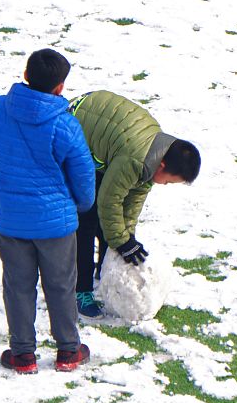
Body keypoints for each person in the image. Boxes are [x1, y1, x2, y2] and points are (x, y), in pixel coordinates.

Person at [0, 49, 97, 373]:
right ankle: (68, 351)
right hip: (55, 225)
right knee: (60, 285)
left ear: (26, 75)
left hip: (10, 218)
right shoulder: (64, 125)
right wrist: (79, 206)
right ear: (59, 87)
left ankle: (22, 355)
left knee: (18, 285)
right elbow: (83, 176)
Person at [68, 90, 201, 318]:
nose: (166, 185)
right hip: (76, 132)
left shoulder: (156, 155)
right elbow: (109, 202)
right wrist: (121, 241)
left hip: (107, 141)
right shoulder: (135, 159)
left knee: (108, 223)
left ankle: (103, 270)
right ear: (162, 167)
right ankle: (81, 291)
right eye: (169, 181)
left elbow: (132, 200)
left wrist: (127, 238)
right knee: (87, 219)